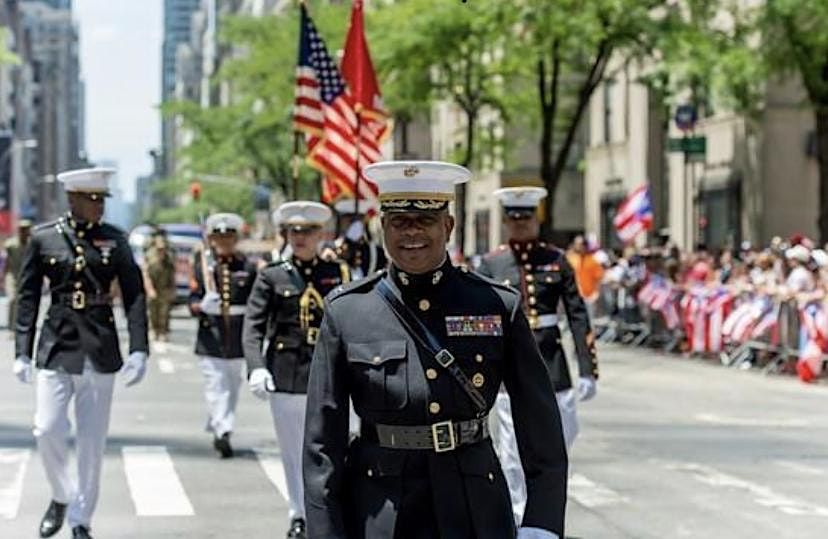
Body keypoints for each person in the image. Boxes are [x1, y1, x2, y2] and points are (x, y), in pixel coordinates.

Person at [303, 161, 568, 539]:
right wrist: (325, 530)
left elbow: (538, 421)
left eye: (424, 220)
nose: (411, 232)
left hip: (473, 501)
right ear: (383, 228)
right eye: (399, 222)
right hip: (380, 507)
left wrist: (542, 522)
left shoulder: (494, 304)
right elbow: (321, 442)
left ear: (448, 226)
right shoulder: (347, 311)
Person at [12, 167, 149, 539]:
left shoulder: (115, 241)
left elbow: (135, 295)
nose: (99, 206)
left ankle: (80, 519)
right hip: (57, 344)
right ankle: (60, 494)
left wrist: (139, 349)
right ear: (72, 199)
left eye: (102, 199)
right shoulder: (43, 239)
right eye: (91, 199)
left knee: (92, 441)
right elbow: (26, 297)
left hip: (100, 345)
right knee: (47, 427)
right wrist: (21, 351)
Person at [477, 186, 598, 524]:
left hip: (551, 361)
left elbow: (577, 315)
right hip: (510, 365)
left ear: (536, 219)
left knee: (563, 433)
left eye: (526, 218)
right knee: (513, 449)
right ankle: (519, 518)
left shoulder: (555, 260)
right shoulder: (491, 263)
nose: (520, 225)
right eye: (514, 219)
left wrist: (587, 368)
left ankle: (545, 502)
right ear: (506, 221)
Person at [243, 201, 350, 539]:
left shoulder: (339, 273)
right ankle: (299, 513)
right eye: (293, 231)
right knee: (293, 451)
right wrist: (256, 367)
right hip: (287, 374)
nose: (300, 237)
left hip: (331, 374)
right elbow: (253, 327)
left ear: (321, 234)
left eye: (307, 231)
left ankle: (331, 508)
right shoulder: (272, 275)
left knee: (334, 447)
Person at [189, 213, 257, 458]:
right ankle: (223, 430)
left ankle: (218, 422)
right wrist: (202, 306)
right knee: (216, 384)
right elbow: (192, 301)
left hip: (237, 334)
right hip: (211, 335)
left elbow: (256, 303)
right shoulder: (204, 266)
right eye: (219, 237)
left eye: (228, 237)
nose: (224, 242)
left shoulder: (247, 267)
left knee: (232, 386)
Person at [331, 196, 387, 279]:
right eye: (350, 219)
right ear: (341, 221)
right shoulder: (333, 249)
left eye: (359, 218)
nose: (356, 224)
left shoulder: (376, 252)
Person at [143, 231, 176, 342]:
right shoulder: (150, 257)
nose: (161, 250)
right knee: (153, 311)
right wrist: (150, 289)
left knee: (165, 311)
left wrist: (172, 289)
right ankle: (154, 329)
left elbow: (172, 275)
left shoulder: (169, 259)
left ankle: (163, 331)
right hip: (153, 286)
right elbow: (146, 274)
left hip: (164, 287)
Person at [566, 234, 604, 323]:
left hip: (588, 297)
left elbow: (599, 278)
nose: (577, 247)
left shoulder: (592, 261)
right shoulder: (570, 259)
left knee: (589, 321)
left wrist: (596, 293)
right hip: (572, 297)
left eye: (580, 244)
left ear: (585, 246)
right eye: (576, 244)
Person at [3, 218, 33, 332]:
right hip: (12, 275)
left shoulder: (32, 245)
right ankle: (12, 327)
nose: (24, 232)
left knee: (25, 301)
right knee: (12, 299)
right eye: (22, 229)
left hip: (26, 275)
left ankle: (24, 324)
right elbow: (7, 262)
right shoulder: (11, 245)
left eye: (26, 230)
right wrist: (3, 276)